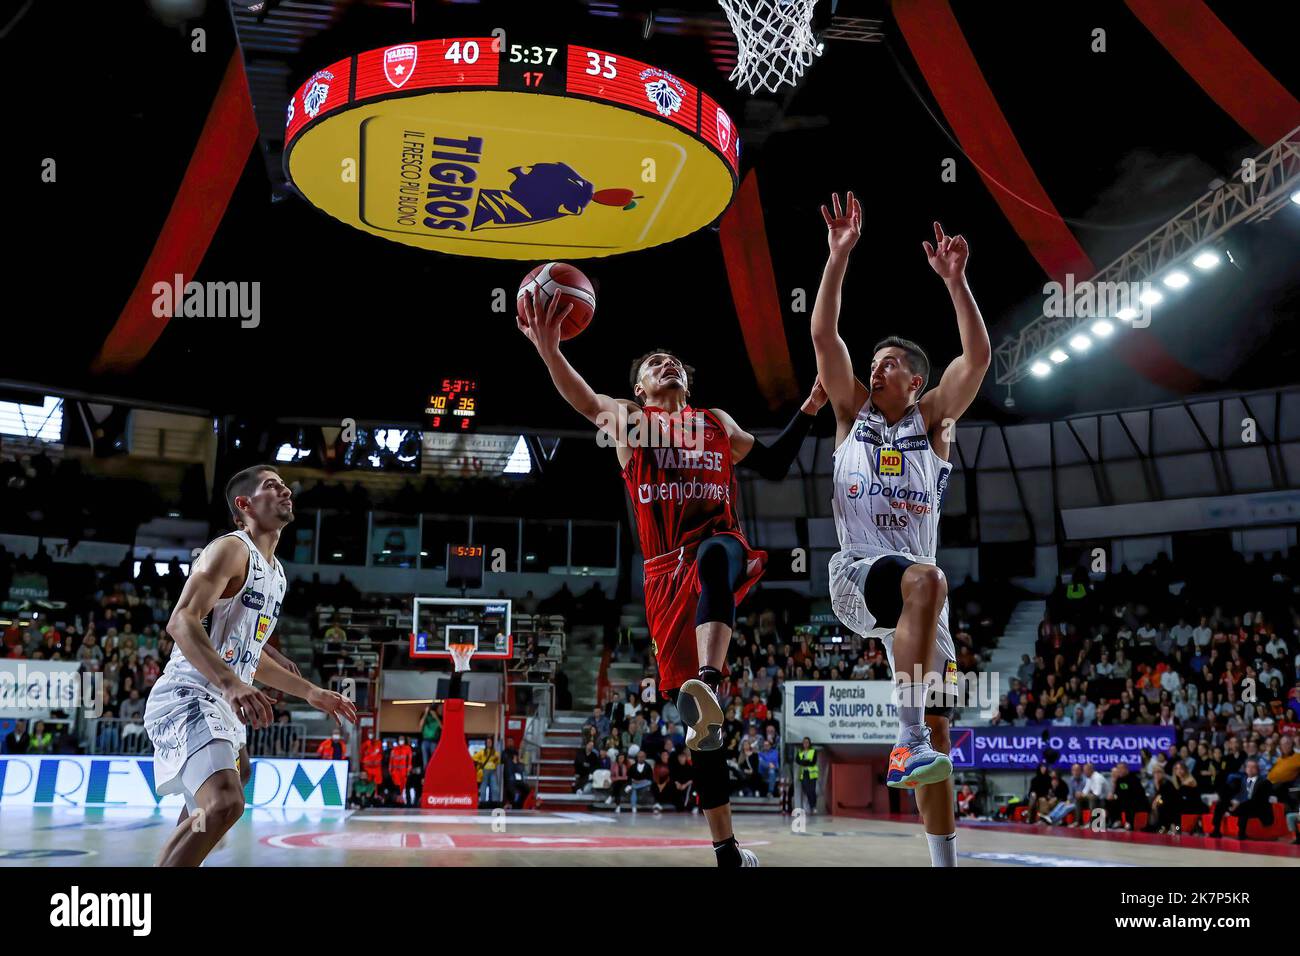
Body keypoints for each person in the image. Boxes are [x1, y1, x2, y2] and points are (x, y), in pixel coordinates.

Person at [518, 291, 829, 868]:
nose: (669, 365)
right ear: (639, 389)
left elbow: (774, 463)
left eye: (675, 362)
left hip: (717, 547)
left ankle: (709, 678)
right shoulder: (633, 424)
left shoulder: (716, 422)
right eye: (654, 365)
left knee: (717, 554)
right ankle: (726, 847)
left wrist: (809, 408)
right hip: (664, 576)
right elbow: (585, 400)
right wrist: (549, 349)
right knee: (704, 738)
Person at [811, 195, 990, 867]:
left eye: (890, 362)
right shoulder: (851, 415)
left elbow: (976, 357)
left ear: (916, 380)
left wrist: (955, 281)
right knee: (927, 578)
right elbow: (826, 338)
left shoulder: (935, 423)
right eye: (876, 360)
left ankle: (943, 860)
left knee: (941, 725)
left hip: (923, 606)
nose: (877, 367)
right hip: (860, 576)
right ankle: (905, 734)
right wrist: (837, 257)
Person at [143, 464, 357, 867]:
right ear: (244, 505)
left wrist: (311, 692)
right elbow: (181, 620)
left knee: (227, 787)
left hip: (219, 696)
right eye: (271, 486)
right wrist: (231, 684)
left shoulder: (276, 574)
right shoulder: (231, 548)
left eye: (284, 485)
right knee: (225, 801)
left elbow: (249, 656)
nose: (286, 491)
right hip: (189, 691)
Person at [1209, 758, 1275, 839]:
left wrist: (1239, 803)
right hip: (1238, 806)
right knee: (1221, 804)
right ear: (1245, 769)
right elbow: (1229, 791)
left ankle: (1242, 833)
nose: (1250, 769)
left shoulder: (1265, 782)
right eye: (1248, 767)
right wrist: (1232, 801)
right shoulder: (1240, 780)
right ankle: (1216, 830)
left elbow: (1260, 800)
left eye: (1253, 767)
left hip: (1256, 808)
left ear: (1258, 769)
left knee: (1245, 806)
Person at [795, 737, 819, 812]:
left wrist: (805, 762)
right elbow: (798, 760)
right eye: (804, 742)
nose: (805, 744)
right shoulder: (800, 752)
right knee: (806, 789)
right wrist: (805, 762)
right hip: (803, 773)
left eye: (807, 742)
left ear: (809, 743)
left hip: (812, 773)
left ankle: (813, 806)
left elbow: (813, 762)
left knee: (812, 790)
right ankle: (811, 804)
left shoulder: (813, 751)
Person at [390, 737, 414, 806]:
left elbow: (409, 761)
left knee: (406, 789)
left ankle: (408, 804)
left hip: (405, 773)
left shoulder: (408, 749)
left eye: (402, 739)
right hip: (396, 773)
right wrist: (391, 772)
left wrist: (408, 771)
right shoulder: (394, 749)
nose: (401, 741)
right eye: (400, 739)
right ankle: (397, 803)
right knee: (397, 789)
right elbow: (391, 761)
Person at [418, 703, 442, 768]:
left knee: (434, 761)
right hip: (425, 741)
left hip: (434, 741)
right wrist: (425, 713)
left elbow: (442, 727)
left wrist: (436, 717)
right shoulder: (425, 716)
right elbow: (420, 727)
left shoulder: (439, 717)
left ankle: (434, 774)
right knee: (425, 762)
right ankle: (425, 775)